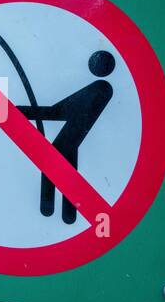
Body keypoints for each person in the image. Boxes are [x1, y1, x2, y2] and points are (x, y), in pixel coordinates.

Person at [18, 50, 114, 224]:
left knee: (52, 165)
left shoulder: (101, 90)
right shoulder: (99, 89)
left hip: (71, 136)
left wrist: (20, 112)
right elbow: (58, 111)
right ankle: (64, 213)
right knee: (61, 167)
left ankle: (55, 210)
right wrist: (22, 112)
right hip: (72, 138)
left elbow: (57, 111)